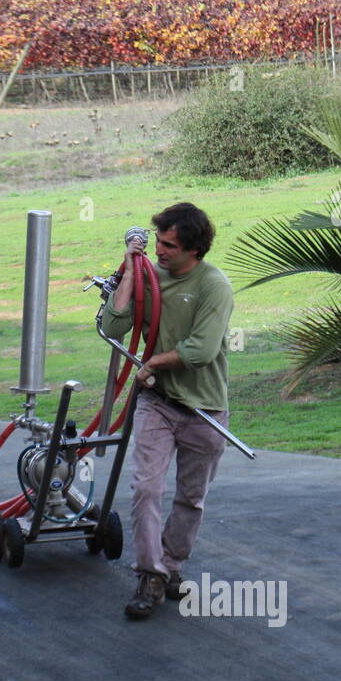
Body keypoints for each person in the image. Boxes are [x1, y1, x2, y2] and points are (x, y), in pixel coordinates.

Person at [99, 202, 235, 619]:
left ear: (194, 250)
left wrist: (152, 362)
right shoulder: (147, 276)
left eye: (169, 246)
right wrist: (128, 268)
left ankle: (170, 568)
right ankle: (149, 574)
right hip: (157, 403)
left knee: (191, 500)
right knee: (146, 489)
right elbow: (113, 327)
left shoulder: (215, 285)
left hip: (205, 408)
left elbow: (201, 349)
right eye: (157, 241)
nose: (159, 250)